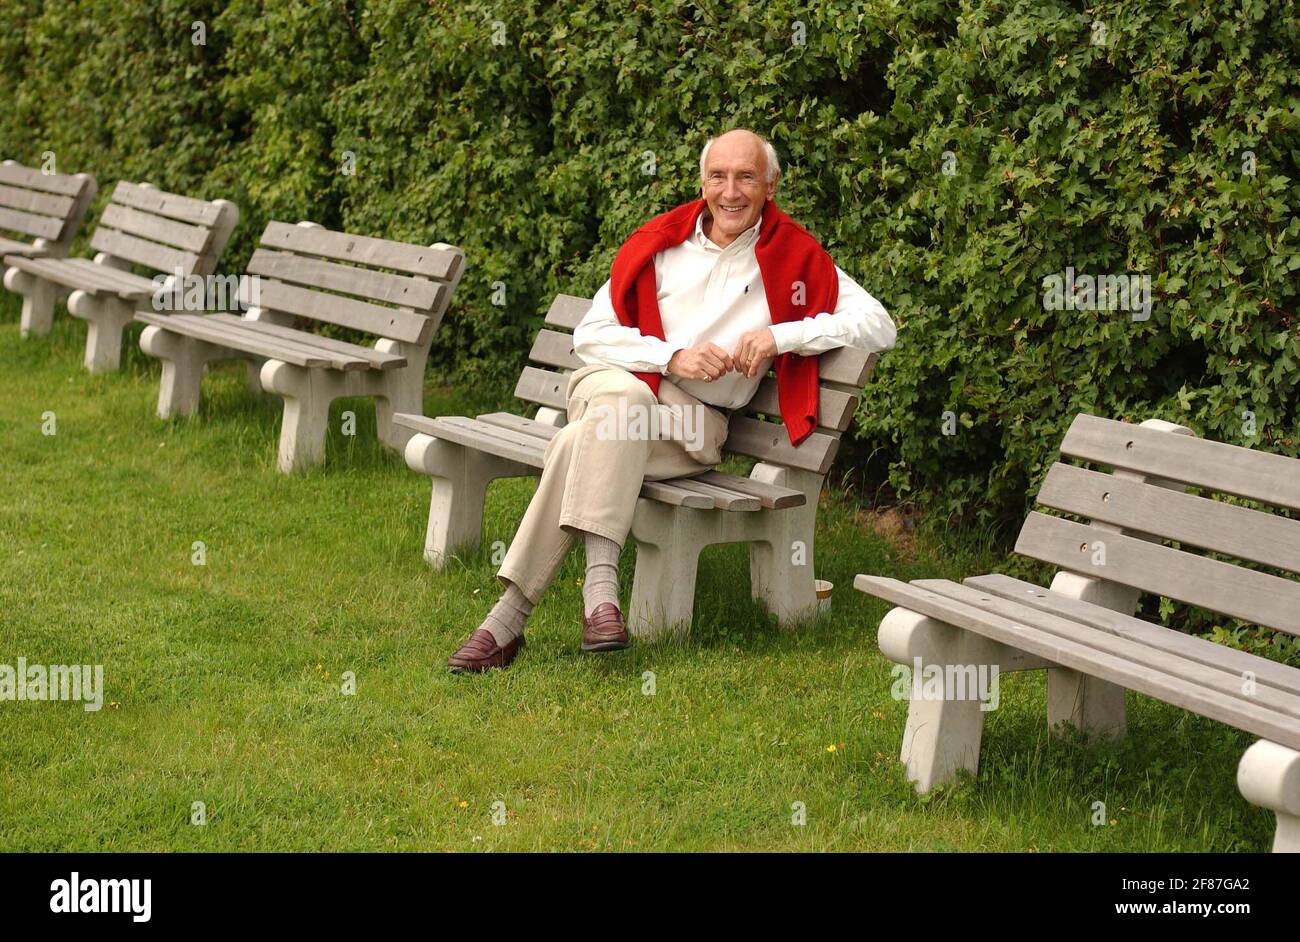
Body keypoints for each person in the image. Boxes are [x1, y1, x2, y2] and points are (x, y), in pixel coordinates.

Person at [447, 128, 896, 673]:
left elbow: (878, 326)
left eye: (746, 177)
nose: (730, 192)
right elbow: (591, 336)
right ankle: (600, 592)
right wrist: (671, 357)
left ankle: (508, 620)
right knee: (626, 400)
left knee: (581, 442)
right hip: (615, 384)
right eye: (718, 176)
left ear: (771, 185)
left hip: (690, 426)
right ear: (702, 182)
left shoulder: (793, 257)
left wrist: (782, 337)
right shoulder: (661, 244)